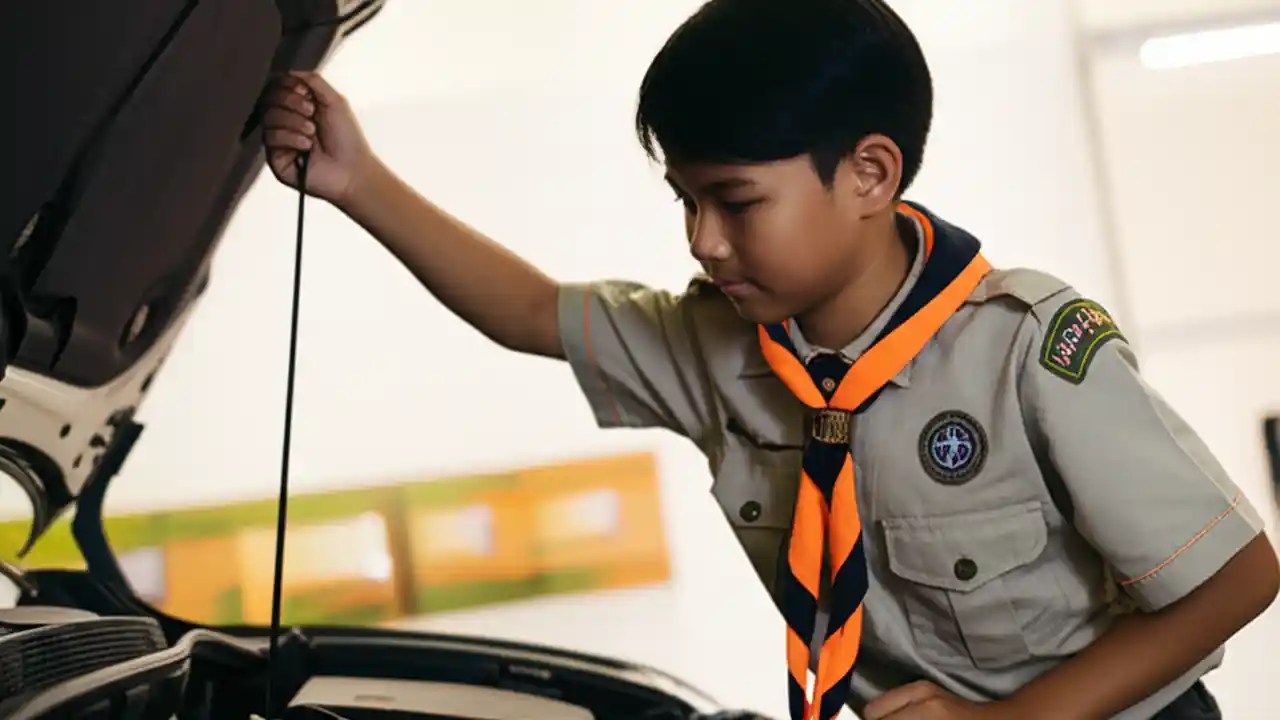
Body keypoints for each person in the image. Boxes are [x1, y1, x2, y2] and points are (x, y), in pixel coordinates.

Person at [257, 1, 1279, 718]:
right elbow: (529, 311)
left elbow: (1237, 575)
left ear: (869, 173)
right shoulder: (715, 347)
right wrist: (360, 185)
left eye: (735, 202)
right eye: (684, 202)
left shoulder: (1025, 349)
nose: (701, 241)